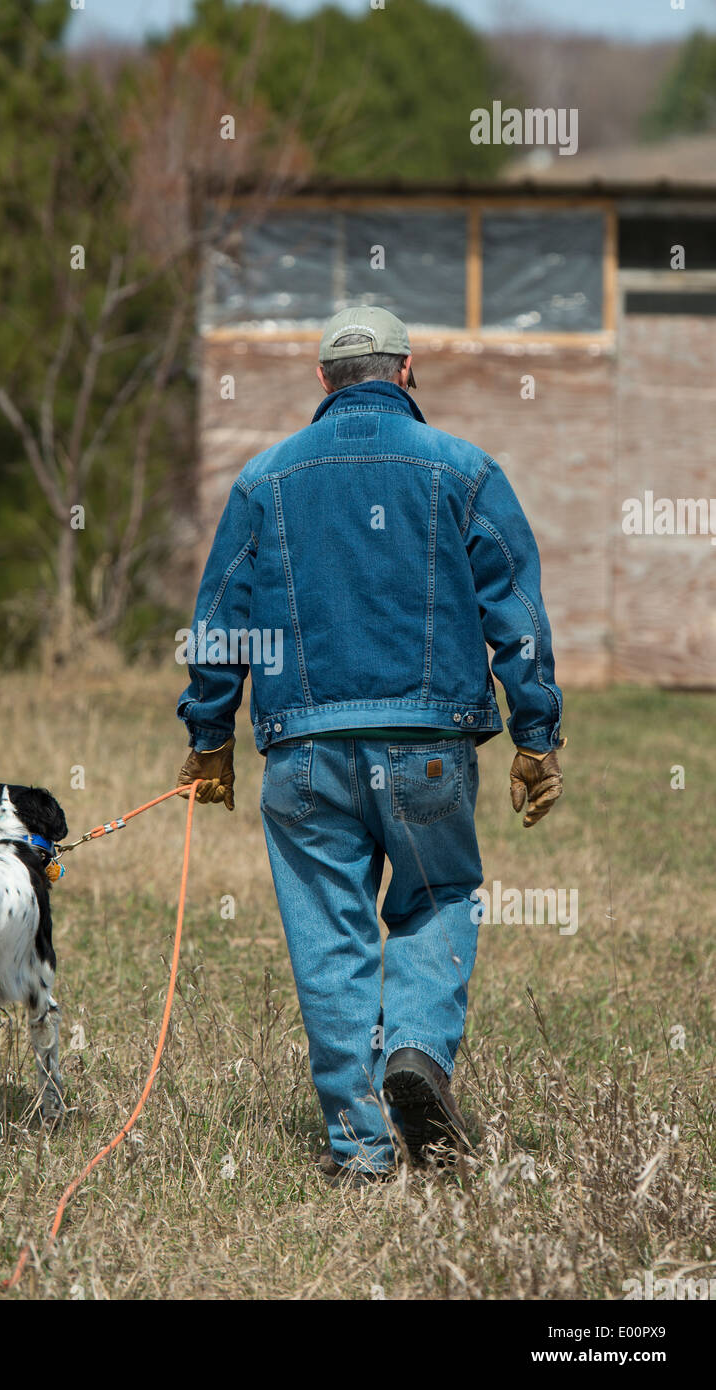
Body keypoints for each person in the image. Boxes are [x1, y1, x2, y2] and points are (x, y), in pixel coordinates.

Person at [176, 305, 565, 1181]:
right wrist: (536, 735)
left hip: (303, 756)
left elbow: (217, 629)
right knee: (437, 900)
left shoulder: (262, 482)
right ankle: (417, 1052)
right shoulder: (465, 471)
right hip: (429, 749)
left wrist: (209, 737)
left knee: (330, 937)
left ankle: (359, 1150)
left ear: (322, 382)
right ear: (408, 370)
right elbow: (519, 619)